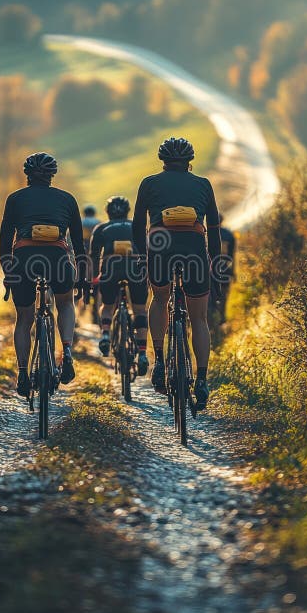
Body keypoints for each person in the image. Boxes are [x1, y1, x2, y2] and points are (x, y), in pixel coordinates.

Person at [132, 137, 224, 411]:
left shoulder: (149, 183)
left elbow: (137, 226)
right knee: (199, 318)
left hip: (160, 249)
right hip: (194, 250)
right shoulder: (203, 184)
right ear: (189, 162)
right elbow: (214, 229)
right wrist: (216, 266)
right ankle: (202, 379)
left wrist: (142, 256)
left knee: (160, 299)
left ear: (163, 161)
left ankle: (160, 361)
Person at [0, 152, 87, 397]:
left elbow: (5, 242)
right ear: (52, 175)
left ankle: (23, 373)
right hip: (58, 259)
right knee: (66, 303)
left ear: (27, 175)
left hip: (24, 260)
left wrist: (8, 271)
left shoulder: (15, 199)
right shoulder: (67, 199)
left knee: (24, 319)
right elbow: (78, 244)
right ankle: (66, 352)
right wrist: (81, 276)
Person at [89, 195, 149, 375]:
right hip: (135, 269)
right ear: (128, 211)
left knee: (107, 306)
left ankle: (106, 334)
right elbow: (148, 250)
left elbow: (93, 256)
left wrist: (93, 278)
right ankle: (143, 353)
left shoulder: (101, 228)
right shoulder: (137, 226)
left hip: (110, 269)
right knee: (140, 310)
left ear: (108, 212)